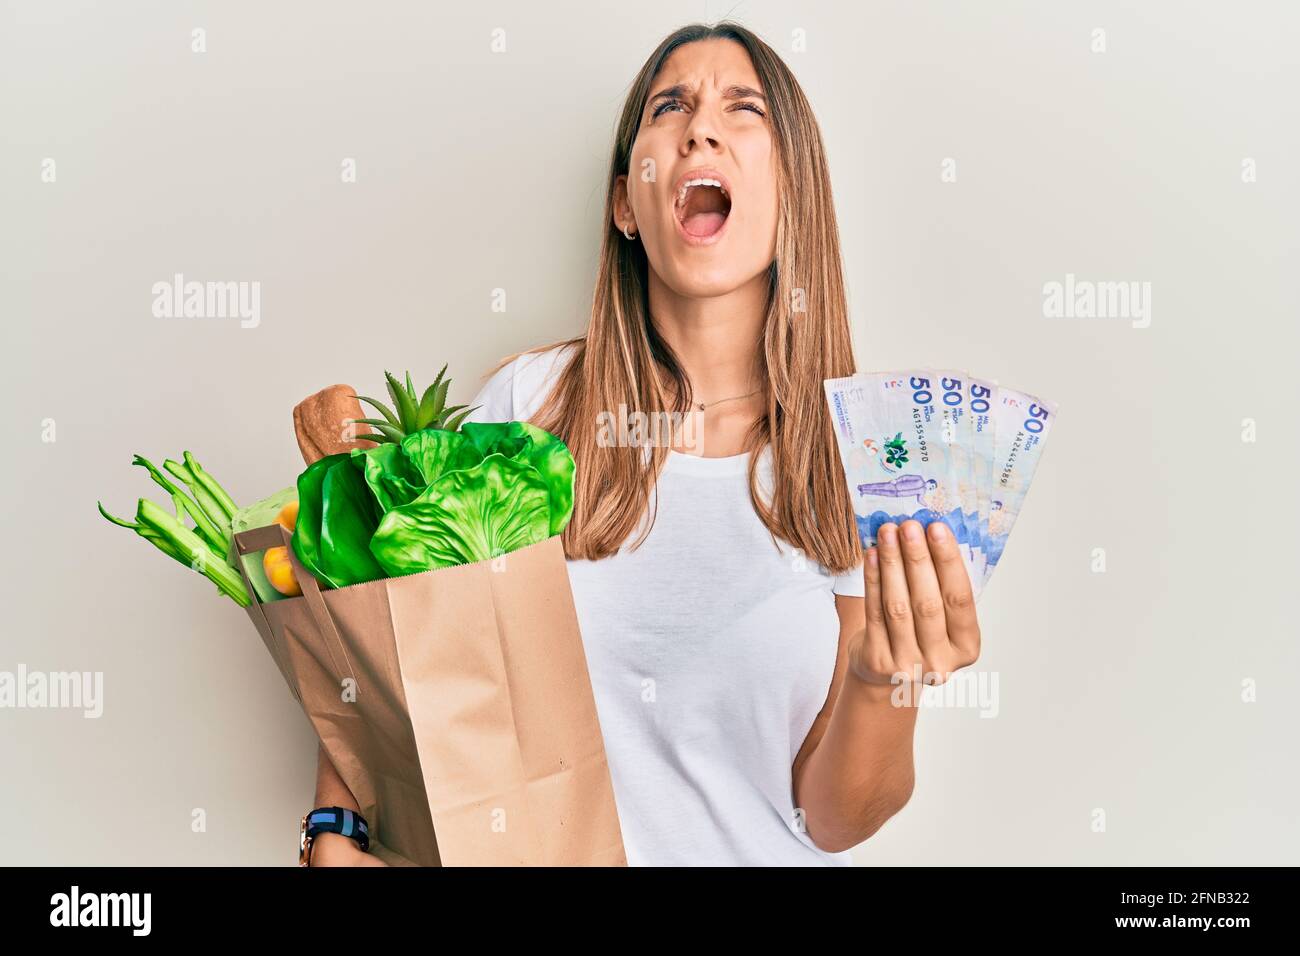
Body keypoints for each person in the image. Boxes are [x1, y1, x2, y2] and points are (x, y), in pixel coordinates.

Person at [311, 20, 981, 867]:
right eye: (671, 107)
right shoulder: (531, 405)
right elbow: (393, 641)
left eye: (745, 109)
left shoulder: (865, 457)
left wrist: (885, 681)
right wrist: (331, 832)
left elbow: (837, 818)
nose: (701, 125)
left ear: (793, 193)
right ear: (627, 203)